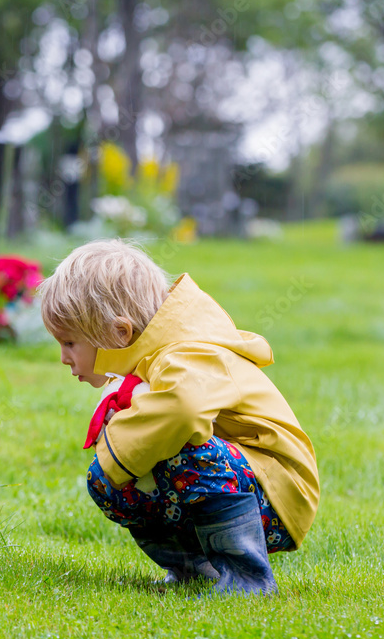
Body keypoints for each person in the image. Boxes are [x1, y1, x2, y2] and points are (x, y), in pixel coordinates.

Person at [38, 239, 319, 595]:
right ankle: (194, 571)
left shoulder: (187, 351)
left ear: (119, 332)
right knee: (109, 481)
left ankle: (247, 579)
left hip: (279, 490)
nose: (64, 358)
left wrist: (116, 443)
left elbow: (183, 411)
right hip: (248, 480)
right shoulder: (158, 354)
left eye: (69, 343)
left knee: (181, 449)